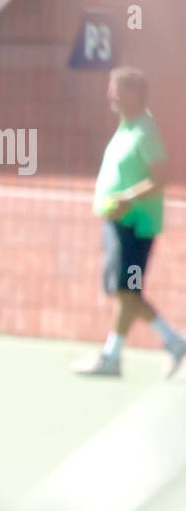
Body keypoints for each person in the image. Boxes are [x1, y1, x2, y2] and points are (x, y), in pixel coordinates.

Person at [74, 66, 185, 378]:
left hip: (136, 226)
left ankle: (112, 357)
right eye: (111, 88)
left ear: (135, 94)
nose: (112, 95)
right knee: (123, 291)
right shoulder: (125, 128)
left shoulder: (145, 130)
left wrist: (126, 199)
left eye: (118, 89)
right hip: (117, 226)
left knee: (127, 289)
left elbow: (162, 177)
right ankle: (174, 341)